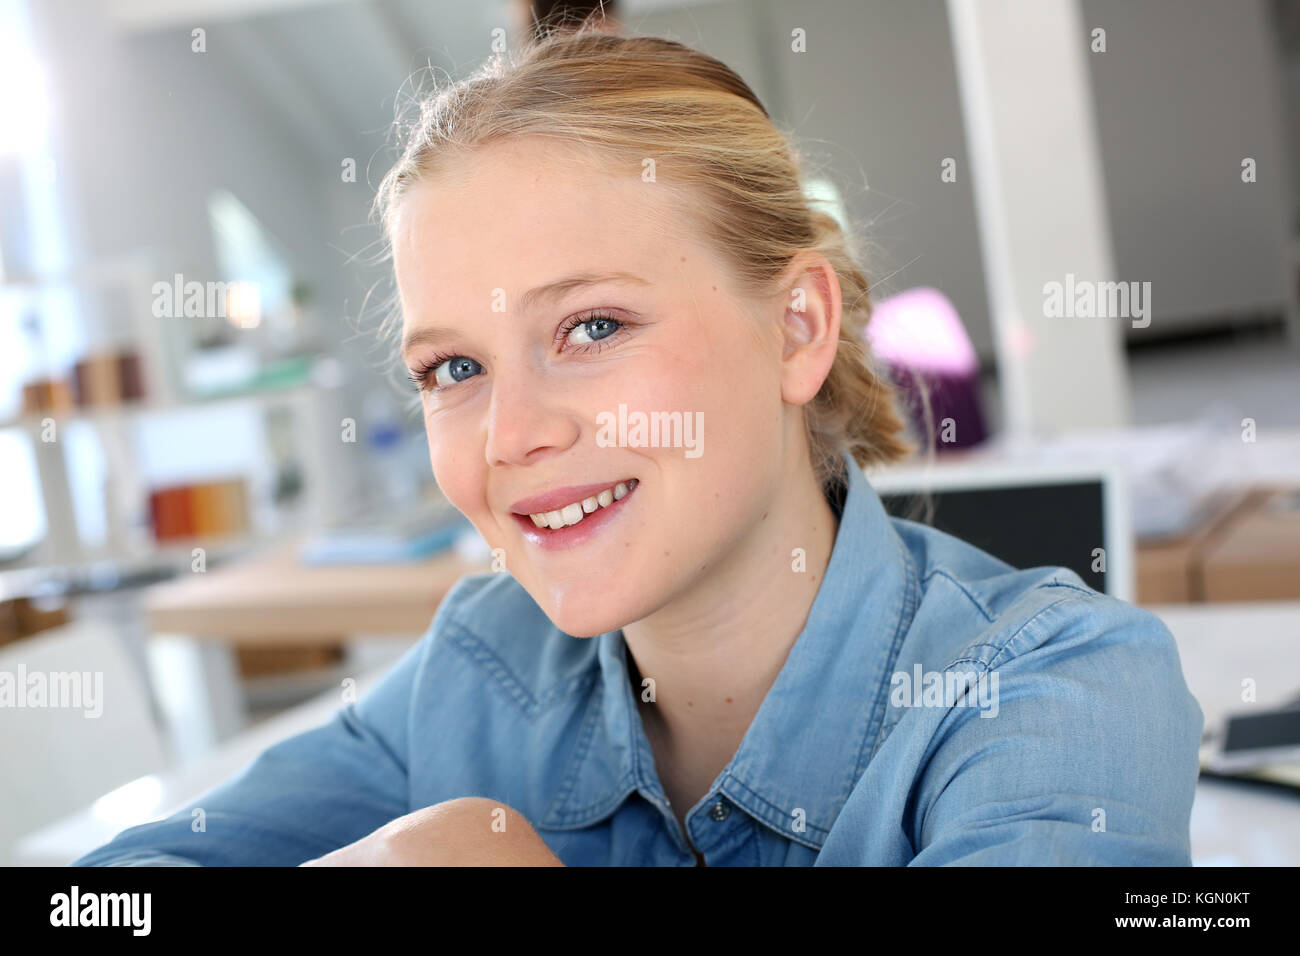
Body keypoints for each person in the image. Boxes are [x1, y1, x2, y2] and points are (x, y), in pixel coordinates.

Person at [73, 23, 1202, 867]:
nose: (514, 434)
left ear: (796, 327)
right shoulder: (484, 668)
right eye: (452, 369)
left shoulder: (1059, 690)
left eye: (593, 327)